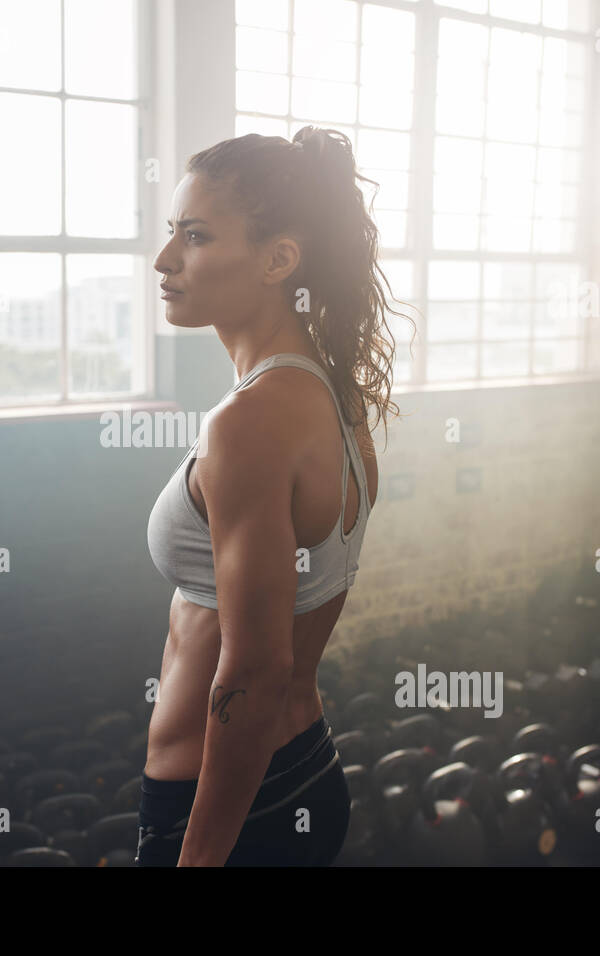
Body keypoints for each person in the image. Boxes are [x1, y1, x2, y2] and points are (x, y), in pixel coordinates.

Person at [140, 126, 412, 866]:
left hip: (231, 809)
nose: (165, 261)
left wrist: (197, 859)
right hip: (301, 772)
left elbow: (256, 670)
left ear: (279, 259)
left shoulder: (250, 422)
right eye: (171, 233)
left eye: (194, 237)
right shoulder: (329, 389)